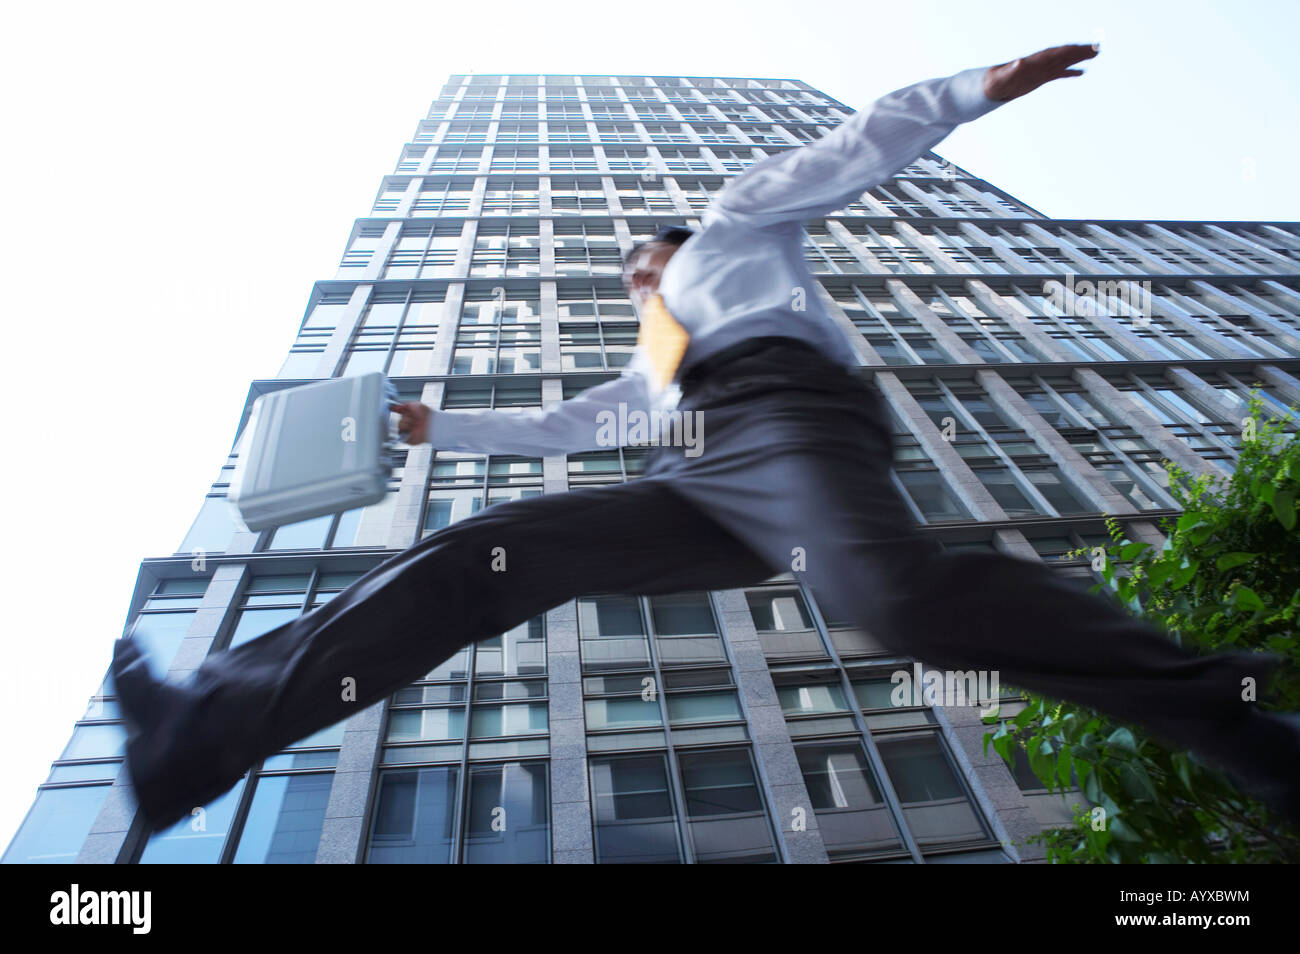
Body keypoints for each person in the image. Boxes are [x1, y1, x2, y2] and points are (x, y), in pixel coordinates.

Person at [112, 44, 1300, 836]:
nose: (638, 279)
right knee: (499, 549)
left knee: (900, 604)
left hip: (789, 420)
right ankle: (200, 731)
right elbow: (580, 425)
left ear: (679, 249)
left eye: (645, 264)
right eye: (631, 276)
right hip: (693, 482)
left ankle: (1249, 724)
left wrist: (982, 85)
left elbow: (861, 141)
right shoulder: (659, 348)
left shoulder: (737, 232)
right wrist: (442, 423)